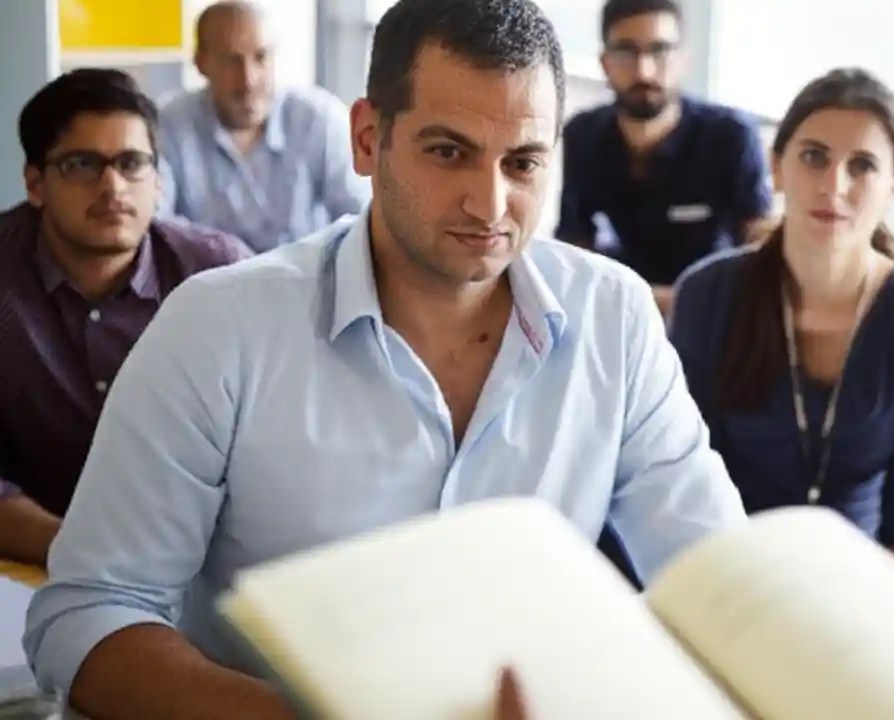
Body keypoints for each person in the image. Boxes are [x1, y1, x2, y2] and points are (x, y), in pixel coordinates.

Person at [23, 1, 745, 717]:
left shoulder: (614, 317)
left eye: (522, 162)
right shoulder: (218, 328)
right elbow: (89, 615)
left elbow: (723, 585)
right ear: (368, 139)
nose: (489, 204)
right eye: (448, 152)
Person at [669, 69, 894, 576]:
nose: (834, 186)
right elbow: (682, 489)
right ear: (777, 168)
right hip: (726, 573)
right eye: (814, 157)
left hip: (861, 586)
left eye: (863, 166)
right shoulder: (706, 295)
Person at [0, 68, 251, 569]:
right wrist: (92, 555)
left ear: (157, 181)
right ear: (35, 183)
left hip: (202, 561)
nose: (112, 186)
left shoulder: (220, 274)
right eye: (81, 164)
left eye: (132, 163)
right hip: (37, 564)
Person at [555, 0, 772, 314]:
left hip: (709, 304)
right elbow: (573, 244)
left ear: (683, 60)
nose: (644, 70)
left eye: (659, 51)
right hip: (620, 300)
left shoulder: (731, 136)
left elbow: (759, 247)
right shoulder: (583, 134)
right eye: (626, 52)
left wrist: (681, 302)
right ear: (605, 63)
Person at [157, 0, 370, 252]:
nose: (249, 79)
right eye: (231, 61)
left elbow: (361, 220)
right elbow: (156, 225)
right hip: (207, 274)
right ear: (201, 63)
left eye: (261, 57)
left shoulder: (319, 120)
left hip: (308, 274)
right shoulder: (168, 125)